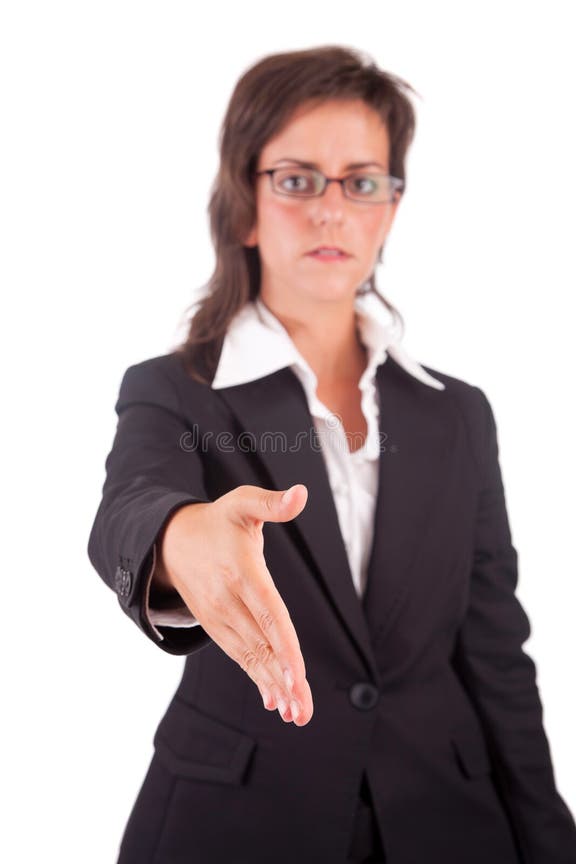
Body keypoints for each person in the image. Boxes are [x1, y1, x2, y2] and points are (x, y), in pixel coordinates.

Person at [87, 45, 576, 864]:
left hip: (448, 822)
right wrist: (181, 537)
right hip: (235, 820)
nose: (331, 210)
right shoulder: (175, 391)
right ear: (244, 205)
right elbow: (131, 505)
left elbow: (494, 650)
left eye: (362, 180)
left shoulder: (458, 415)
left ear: (389, 207)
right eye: (296, 179)